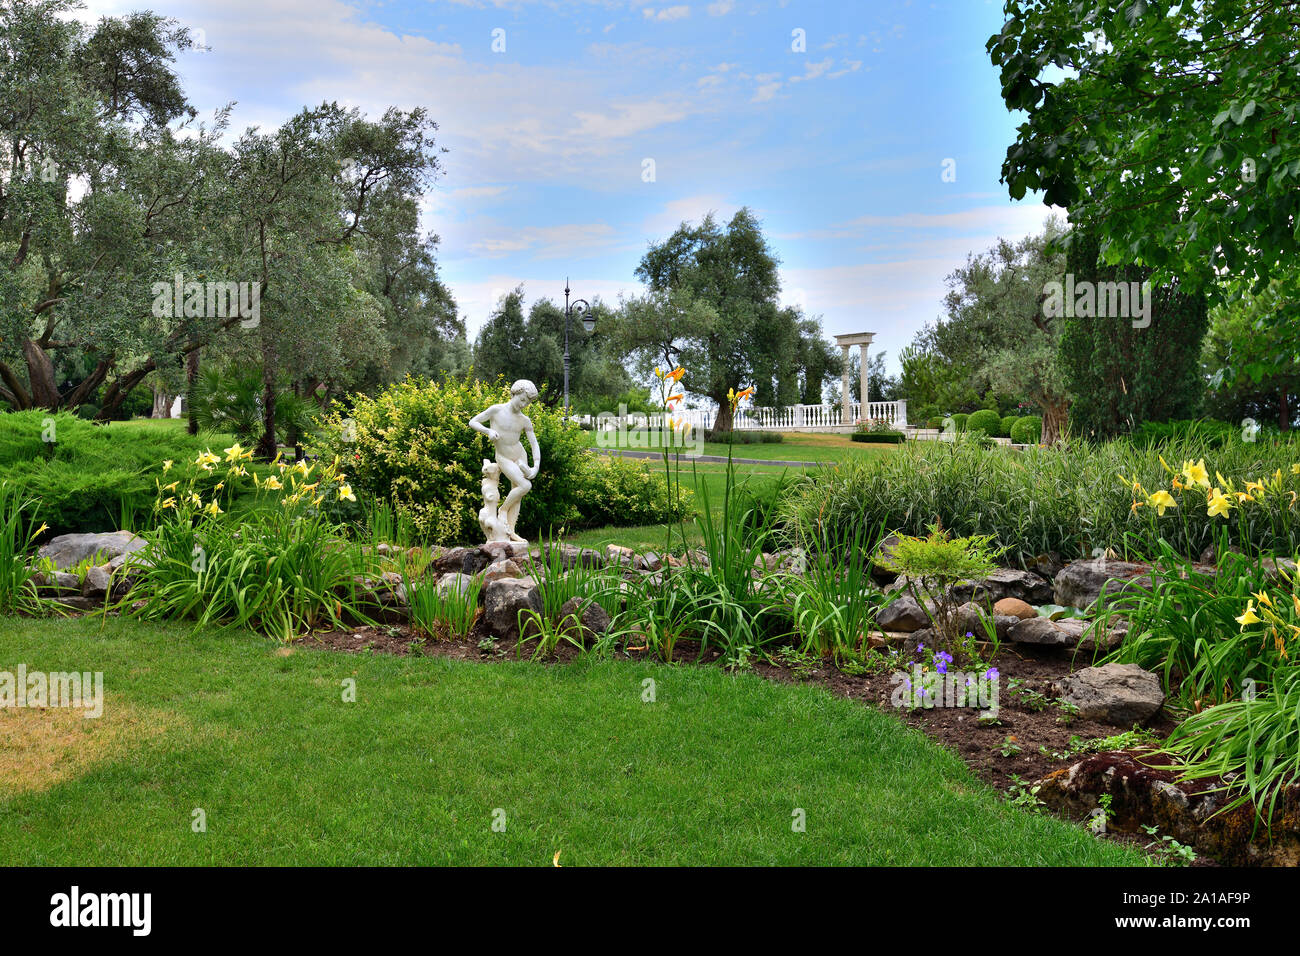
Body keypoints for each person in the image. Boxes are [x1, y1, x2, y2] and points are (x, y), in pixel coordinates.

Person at [468, 380, 541, 543]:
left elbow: (534, 443)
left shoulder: (524, 420)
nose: (524, 405)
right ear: (514, 393)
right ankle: (503, 510)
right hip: (504, 457)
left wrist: (535, 466)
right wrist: (488, 431)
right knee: (525, 486)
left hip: (520, 455)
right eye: (522, 400)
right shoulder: (496, 410)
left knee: (518, 493)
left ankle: (511, 531)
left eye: (527, 403)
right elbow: (473, 422)